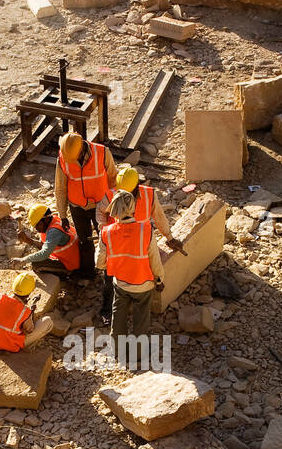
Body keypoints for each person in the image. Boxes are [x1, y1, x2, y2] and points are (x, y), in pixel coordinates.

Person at [96, 166, 183, 325]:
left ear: (137, 186)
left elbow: (159, 217)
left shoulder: (149, 195)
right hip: (118, 242)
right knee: (109, 277)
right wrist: (103, 229)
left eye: (129, 192)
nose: (124, 196)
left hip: (139, 244)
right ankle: (107, 310)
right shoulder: (111, 195)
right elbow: (100, 211)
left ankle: (136, 304)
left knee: (141, 273)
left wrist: (169, 237)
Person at [96, 190, 164, 347]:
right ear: (133, 208)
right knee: (141, 323)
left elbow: (100, 264)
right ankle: (137, 356)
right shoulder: (146, 230)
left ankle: (118, 352)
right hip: (143, 285)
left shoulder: (106, 232)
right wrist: (159, 279)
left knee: (118, 319)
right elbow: (155, 259)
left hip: (120, 284)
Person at [54, 131, 117, 280]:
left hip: (100, 206)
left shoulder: (102, 152)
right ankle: (88, 272)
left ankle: (111, 272)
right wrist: (63, 215)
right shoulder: (63, 158)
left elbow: (113, 178)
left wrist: (112, 202)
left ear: (82, 148)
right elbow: (60, 188)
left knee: (106, 239)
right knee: (84, 241)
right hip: (77, 207)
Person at [0, 271, 54, 351]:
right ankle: (27, 348)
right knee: (48, 321)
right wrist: (30, 315)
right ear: (30, 292)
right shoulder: (24, 311)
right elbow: (29, 330)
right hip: (11, 346)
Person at [18, 204, 81, 275]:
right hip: (70, 258)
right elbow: (44, 245)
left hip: (71, 264)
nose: (37, 230)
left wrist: (23, 260)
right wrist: (28, 241)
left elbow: (44, 254)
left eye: (38, 225)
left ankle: (68, 275)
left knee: (36, 265)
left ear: (46, 219)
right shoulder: (52, 221)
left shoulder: (54, 231)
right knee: (37, 259)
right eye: (35, 227)